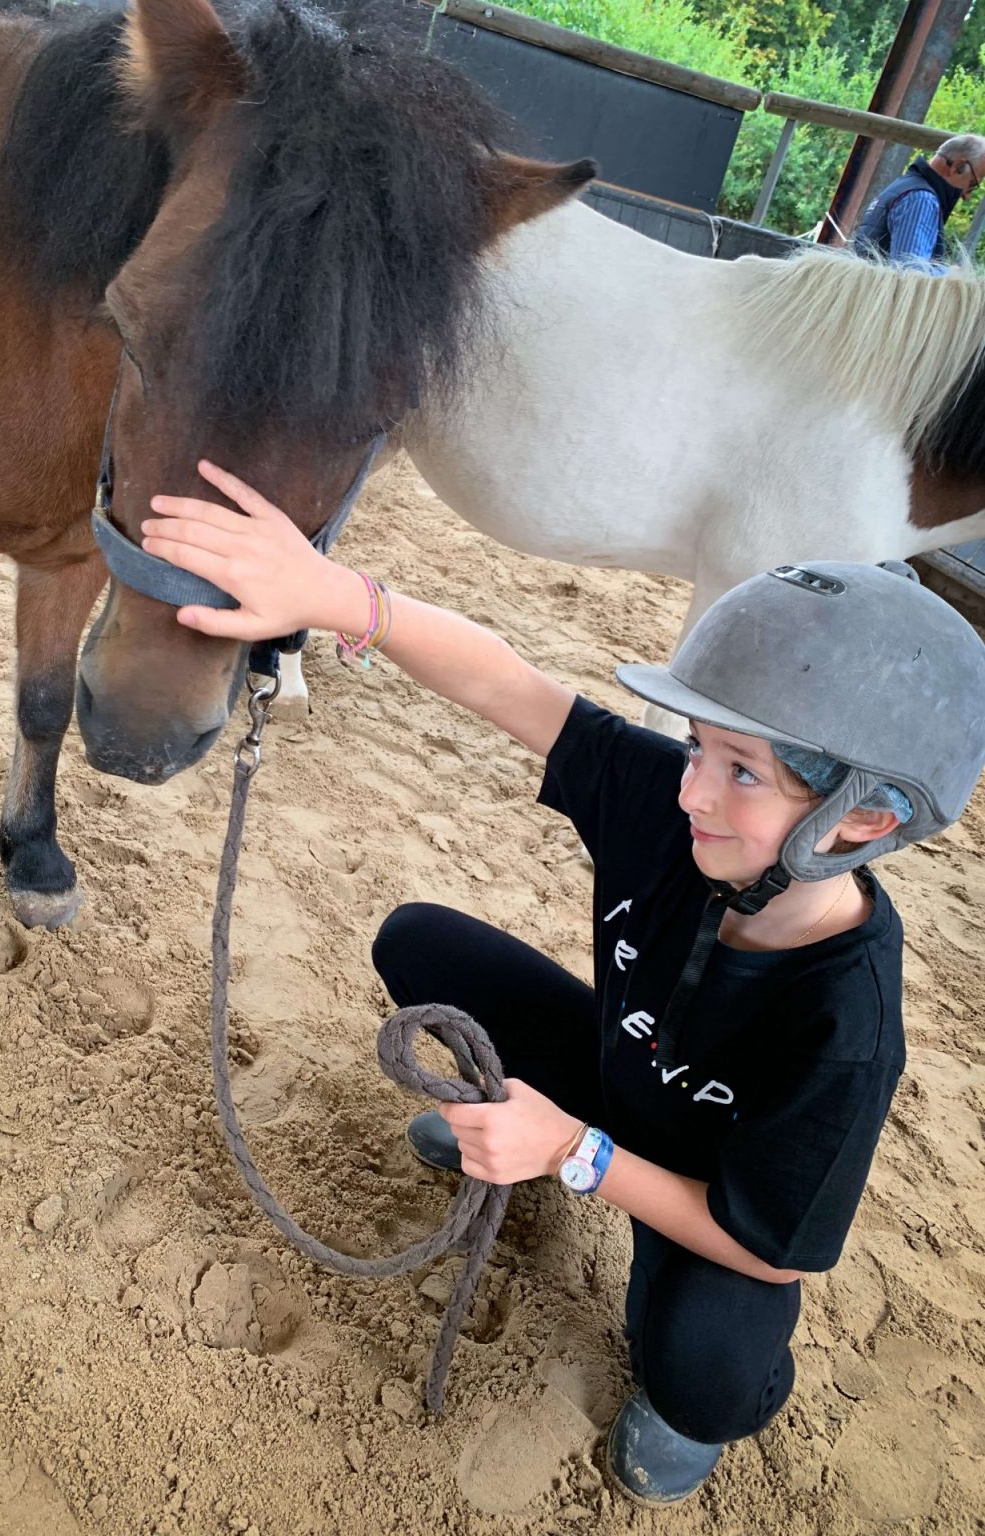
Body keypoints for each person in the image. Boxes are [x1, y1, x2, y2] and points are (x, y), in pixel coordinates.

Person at [140, 463, 985, 1506]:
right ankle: (525, 1133)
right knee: (421, 944)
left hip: (710, 1200)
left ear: (863, 819)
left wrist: (577, 1156)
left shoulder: (845, 1026)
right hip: (613, 1073)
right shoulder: (682, 818)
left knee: (703, 1368)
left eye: (741, 771)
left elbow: (772, 1253)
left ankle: (650, 1316)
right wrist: (343, 598)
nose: (691, 790)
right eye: (697, 749)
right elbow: (511, 686)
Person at [853, 133, 985, 268]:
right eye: (972, 184)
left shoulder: (905, 187)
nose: (966, 196)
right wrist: (950, 274)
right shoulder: (921, 199)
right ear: (957, 166)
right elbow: (910, 271)